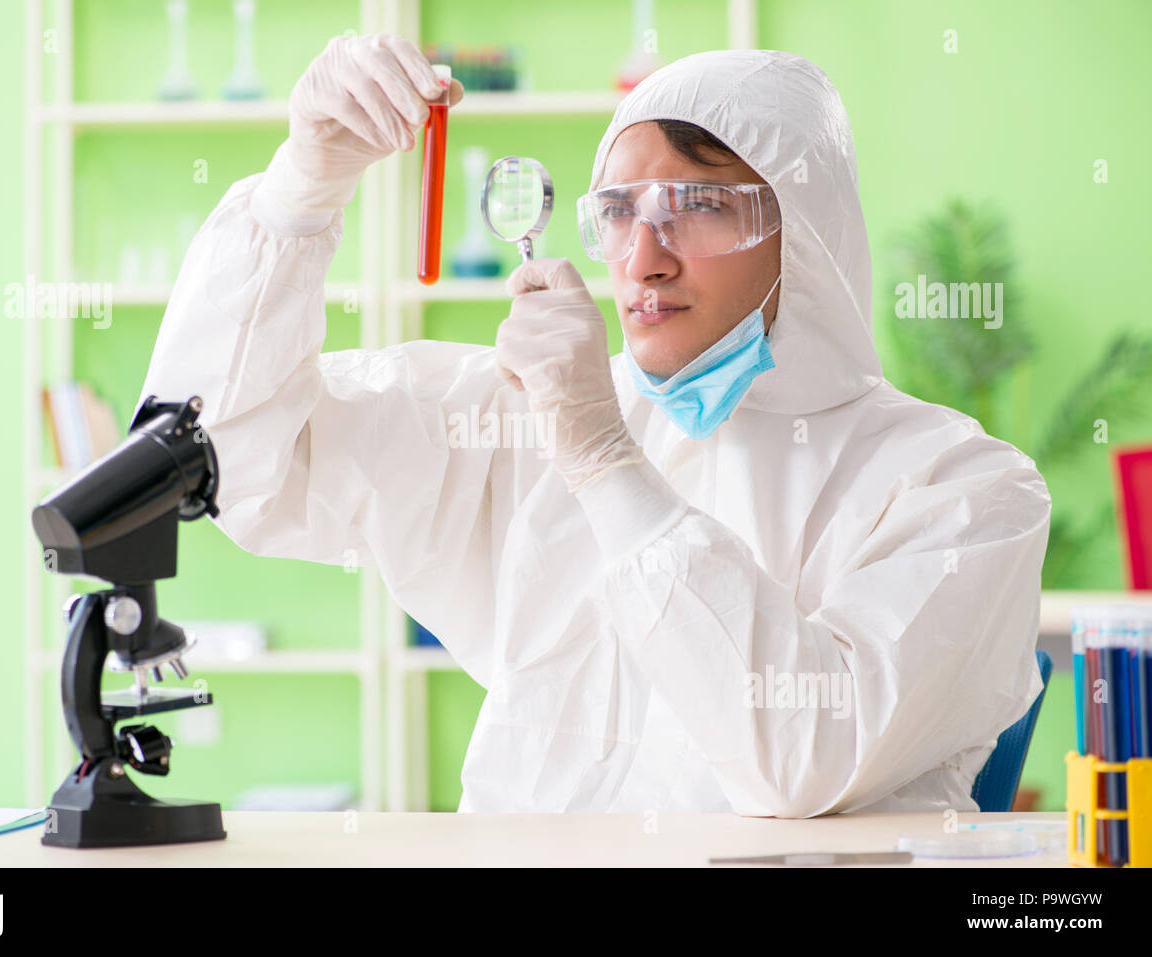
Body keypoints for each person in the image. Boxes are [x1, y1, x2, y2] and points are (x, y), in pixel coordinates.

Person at [137, 34, 1051, 816]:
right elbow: (224, 458)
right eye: (617, 213)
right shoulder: (524, 418)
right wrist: (300, 189)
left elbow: (803, 753)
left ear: (802, 234)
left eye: (698, 206)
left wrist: (605, 461)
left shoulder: (963, 488)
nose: (643, 260)